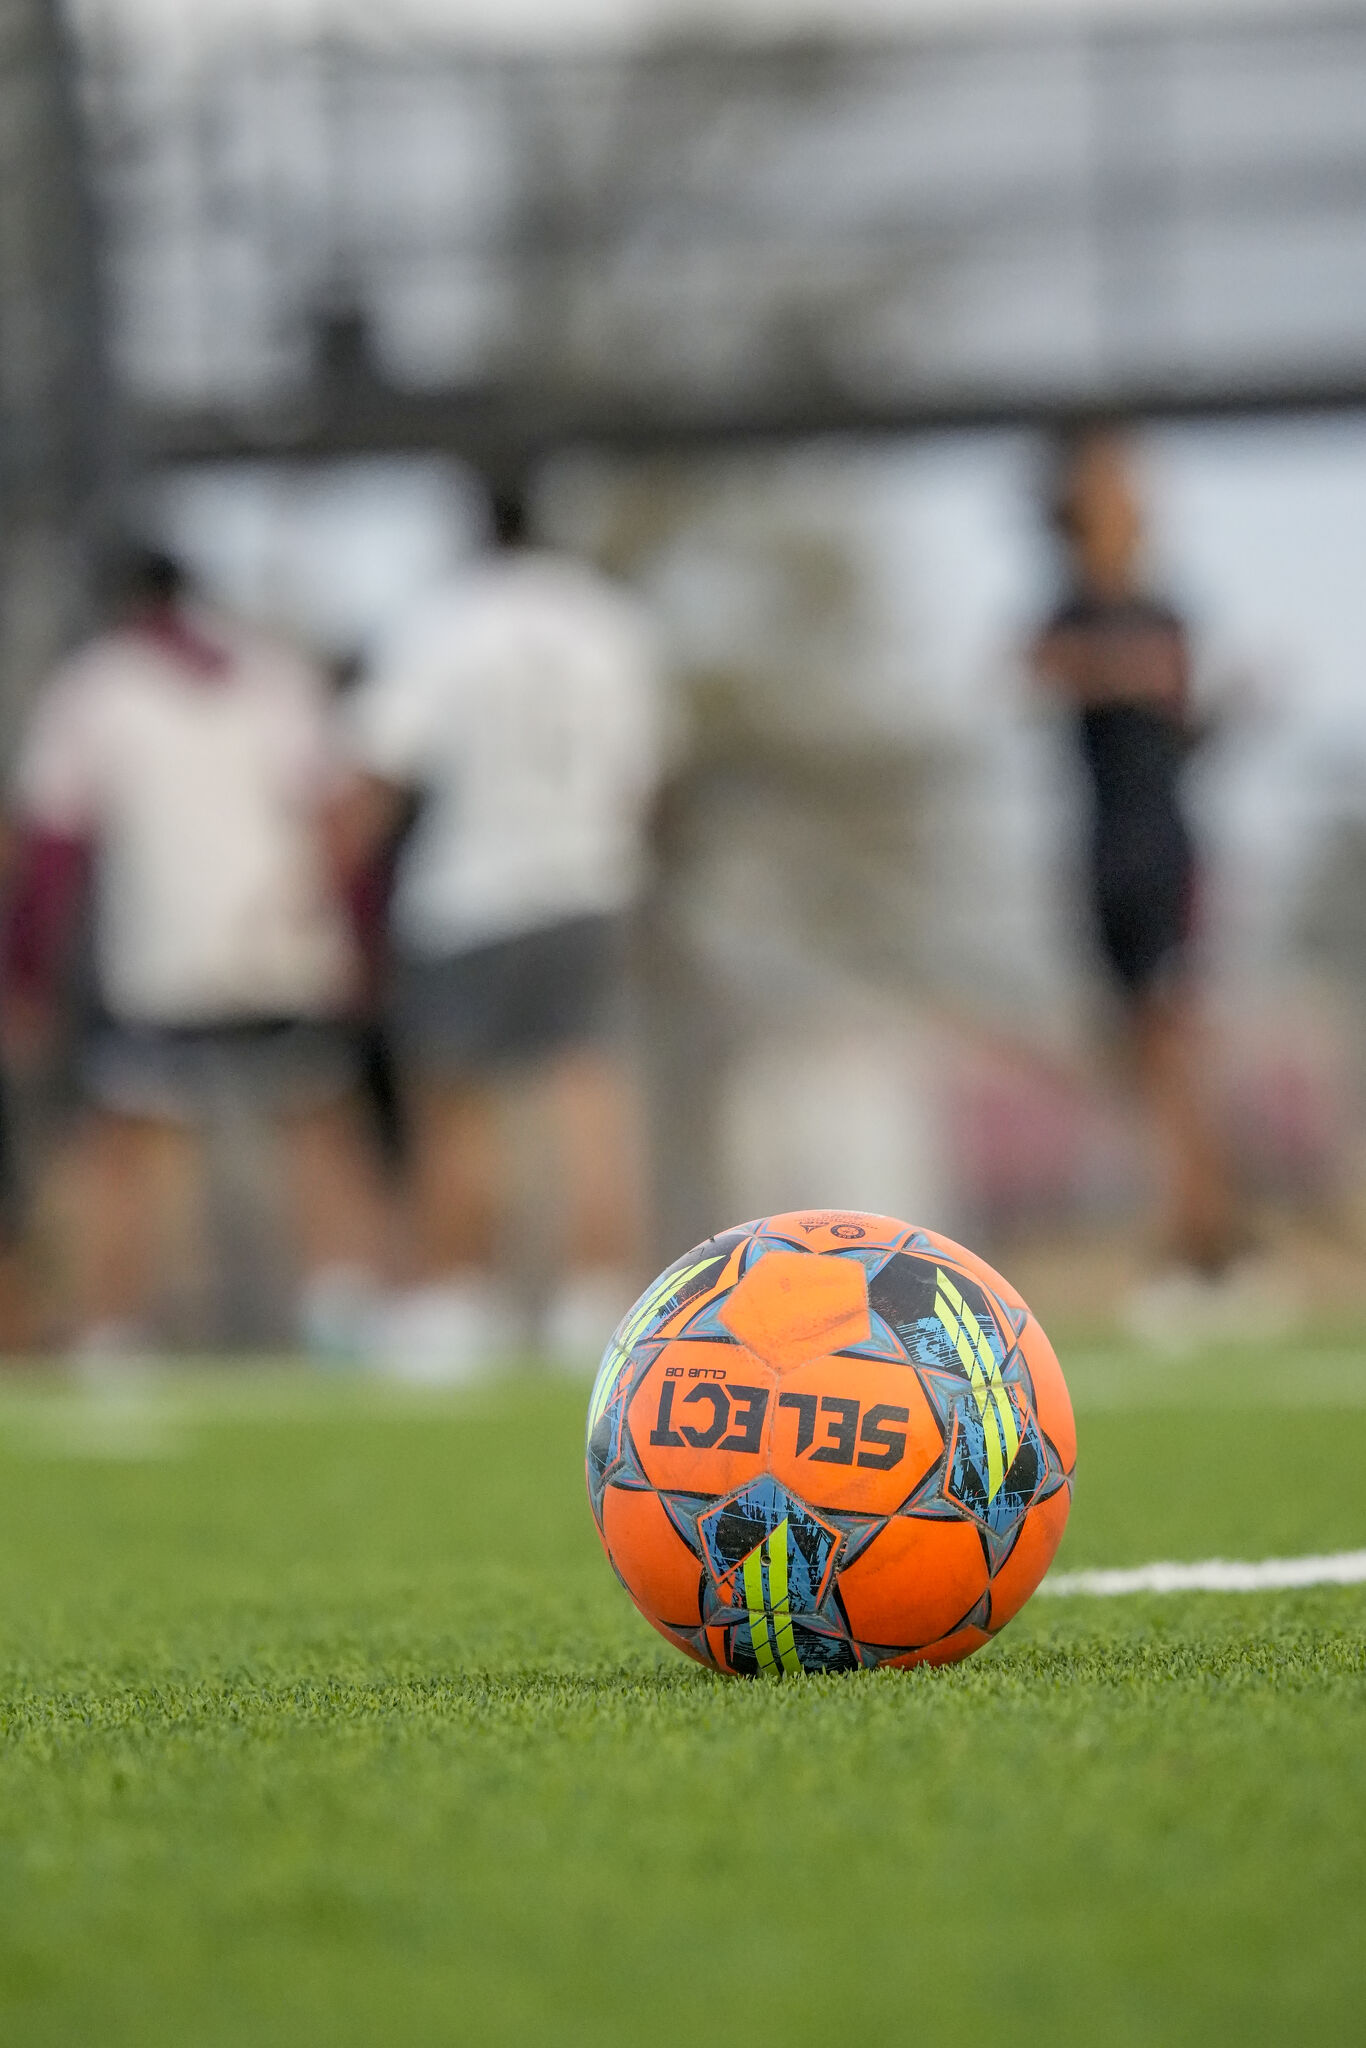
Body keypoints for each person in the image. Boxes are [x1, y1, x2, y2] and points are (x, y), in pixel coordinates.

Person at [0, 548, 387, 1358]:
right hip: (283, 945)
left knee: (130, 1151)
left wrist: (26, 971)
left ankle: (117, 1332)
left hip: (166, 956)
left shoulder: (96, 686)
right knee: (314, 1132)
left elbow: (53, 850)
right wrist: (353, 936)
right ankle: (345, 1319)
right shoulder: (275, 674)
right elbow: (335, 816)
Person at [335, 488, 670, 1378]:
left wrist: (331, 891)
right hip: (589, 882)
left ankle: (456, 1302)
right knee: (588, 1094)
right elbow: (642, 775)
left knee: (455, 1107)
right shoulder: (608, 621)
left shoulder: (442, 620)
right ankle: (596, 1301)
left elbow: (380, 763)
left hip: (468, 894)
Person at [1031, 428, 1243, 1323]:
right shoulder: (1065, 614)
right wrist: (1118, 675)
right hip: (1099, 853)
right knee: (1129, 1054)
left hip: (1164, 851)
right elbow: (1042, 674)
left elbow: (1178, 713)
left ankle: (1207, 1251)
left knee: (1174, 1043)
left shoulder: (1163, 611)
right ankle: (1190, 1238)